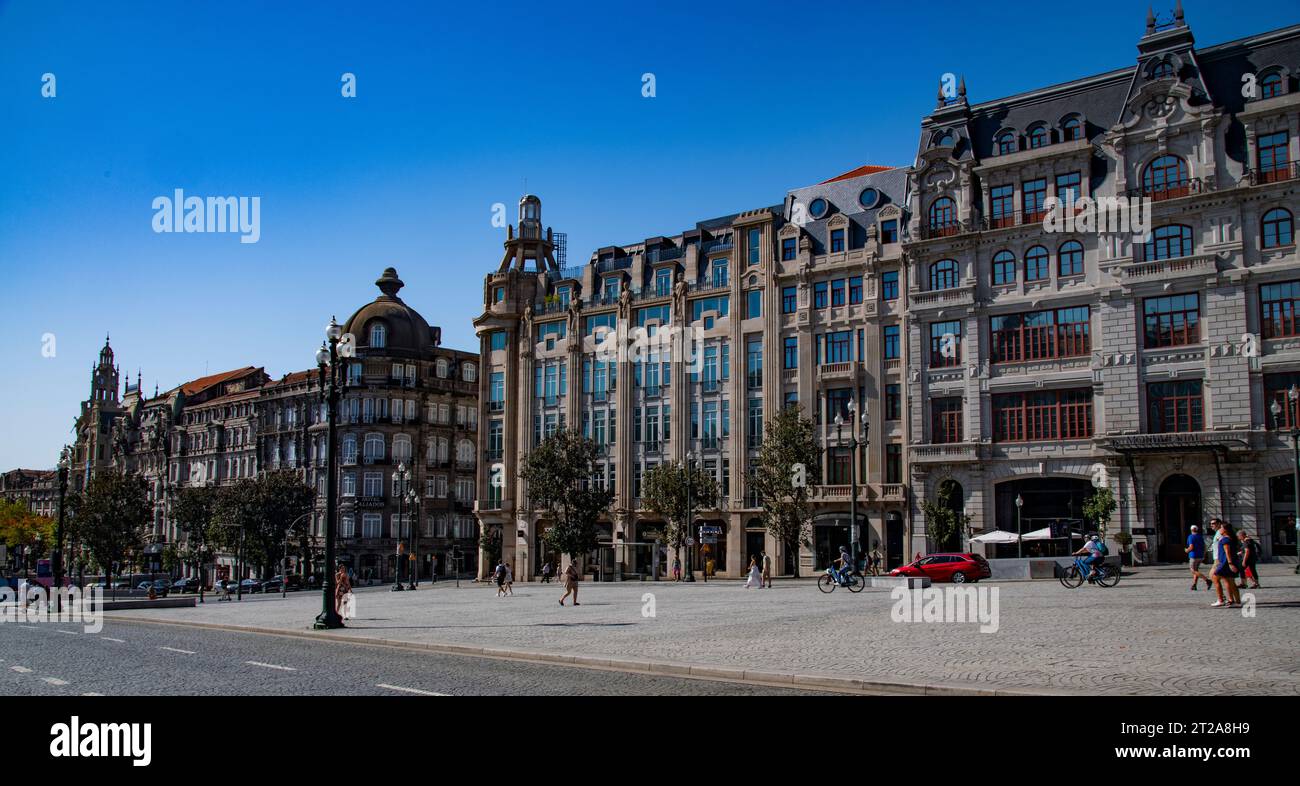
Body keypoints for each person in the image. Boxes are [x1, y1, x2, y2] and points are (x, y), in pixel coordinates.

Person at [1211, 521, 1241, 608]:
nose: (1220, 529)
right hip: (1227, 562)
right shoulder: (1229, 538)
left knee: (1215, 576)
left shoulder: (1225, 540)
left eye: (1221, 528)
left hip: (1225, 563)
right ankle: (1236, 601)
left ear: (1225, 530)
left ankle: (1222, 600)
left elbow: (1227, 552)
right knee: (1231, 582)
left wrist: (1230, 563)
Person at [1186, 524, 1210, 591]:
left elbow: (1191, 547)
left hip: (1194, 556)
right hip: (1200, 556)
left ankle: (1207, 580)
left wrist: (1186, 550)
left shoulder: (1191, 537)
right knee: (1196, 570)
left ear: (1191, 530)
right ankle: (1194, 585)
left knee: (1193, 570)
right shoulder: (1200, 536)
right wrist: (1204, 554)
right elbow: (1205, 546)